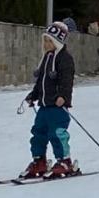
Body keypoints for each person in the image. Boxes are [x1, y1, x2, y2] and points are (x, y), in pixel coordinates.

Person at [20, 22, 79, 179]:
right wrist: (34, 95)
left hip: (58, 107)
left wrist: (63, 97)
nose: (46, 44)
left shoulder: (65, 59)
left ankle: (64, 161)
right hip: (44, 106)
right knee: (38, 133)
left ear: (58, 42)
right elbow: (41, 82)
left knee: (57, 134)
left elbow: (67, 81)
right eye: (45, 40)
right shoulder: (46, 58)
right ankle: (39, 160)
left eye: (50, 41)